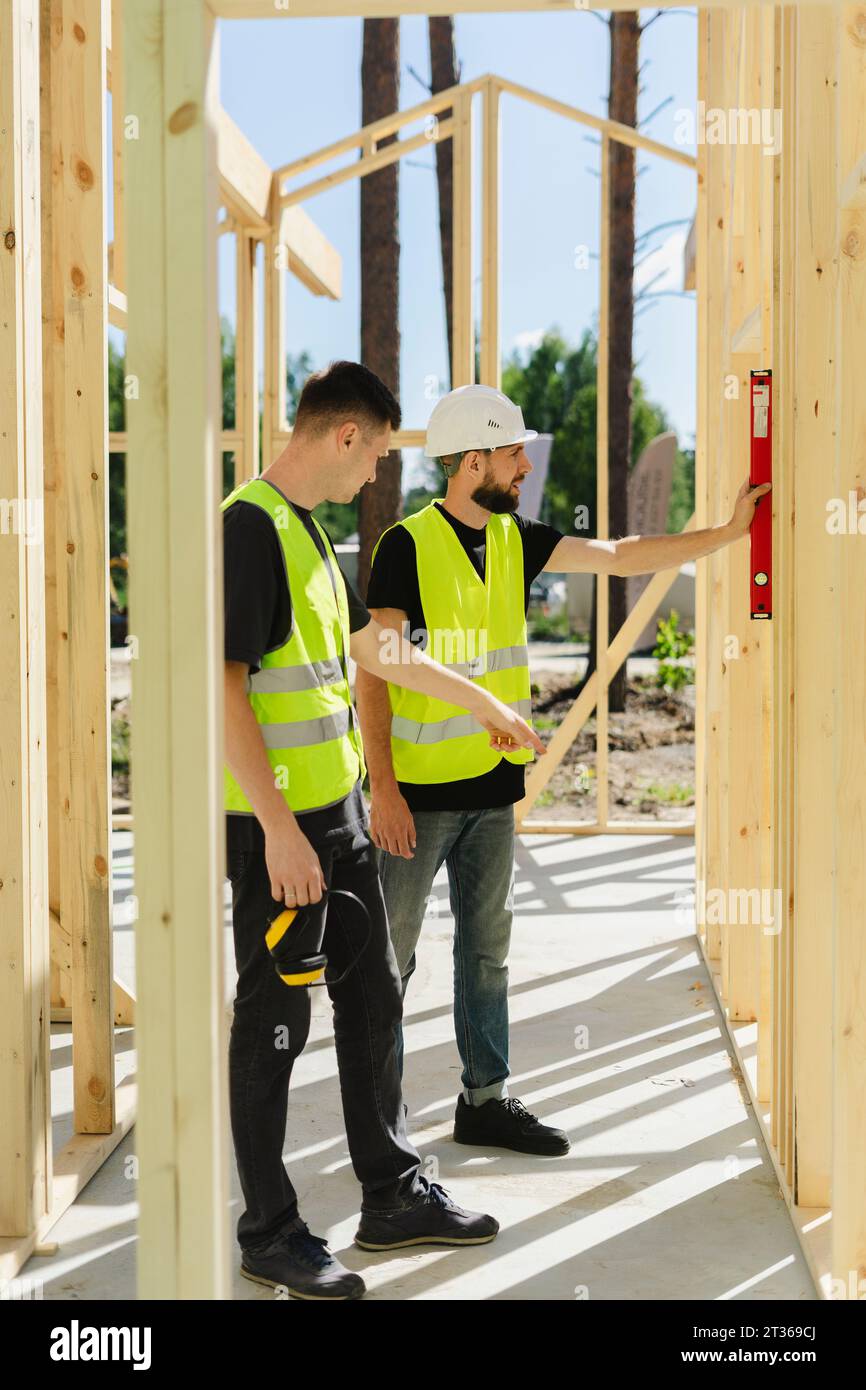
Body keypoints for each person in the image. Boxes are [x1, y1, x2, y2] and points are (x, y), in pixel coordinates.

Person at [356, 382, 771, 1158]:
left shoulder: (518, 539)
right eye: (513, 453)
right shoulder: (405, 546)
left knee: (487, 950)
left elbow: (617, 558)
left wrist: (723, 535)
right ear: (471, 460)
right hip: (414, 796)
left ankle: (485, 1101)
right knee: (391, 962)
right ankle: (380, 1127)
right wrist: (381, 787)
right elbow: (377, 668)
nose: (523, 467)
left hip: (491, 794)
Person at [223, 363, 545, 1301]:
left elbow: (376, 652)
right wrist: (280, 828)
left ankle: (393, 1195)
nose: (375, 484)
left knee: (372, 1005)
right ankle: (270, 1232)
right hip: (279, 832)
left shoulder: (310, 536)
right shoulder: (251, 525)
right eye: (374, 462)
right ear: (347, 436)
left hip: (343, 820)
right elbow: (226, 687)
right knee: (274, 1023)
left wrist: (485, 701)